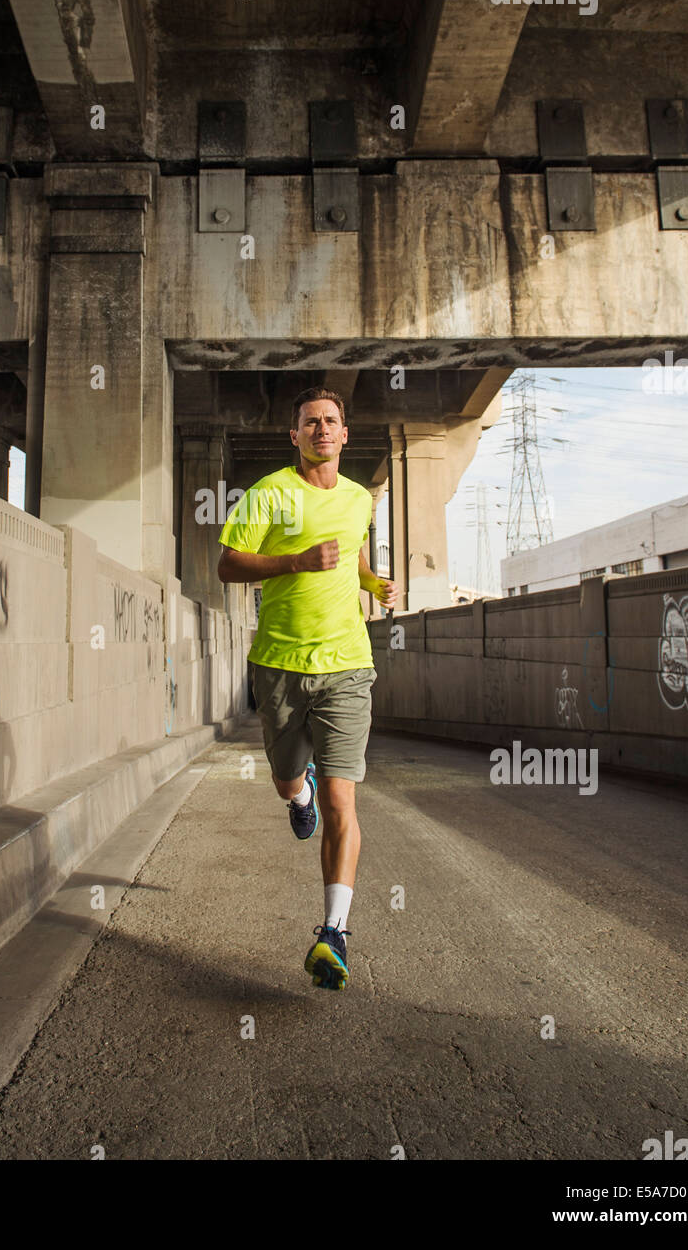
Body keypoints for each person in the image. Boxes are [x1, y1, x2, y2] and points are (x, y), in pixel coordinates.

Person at [217, 386, 398, 990]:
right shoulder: (270, 493)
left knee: (343, 802)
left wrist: (373, 583)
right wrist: (295, 562)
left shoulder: (357, 500)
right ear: (293, 436)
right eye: (309, 423)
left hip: (347, 664)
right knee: (286, 778)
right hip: (280, 665)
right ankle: (298, 798)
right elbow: (229, 563)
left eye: (331, 421)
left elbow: (354, 558)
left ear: (345, 434)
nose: (321, 430)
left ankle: (334, 933)